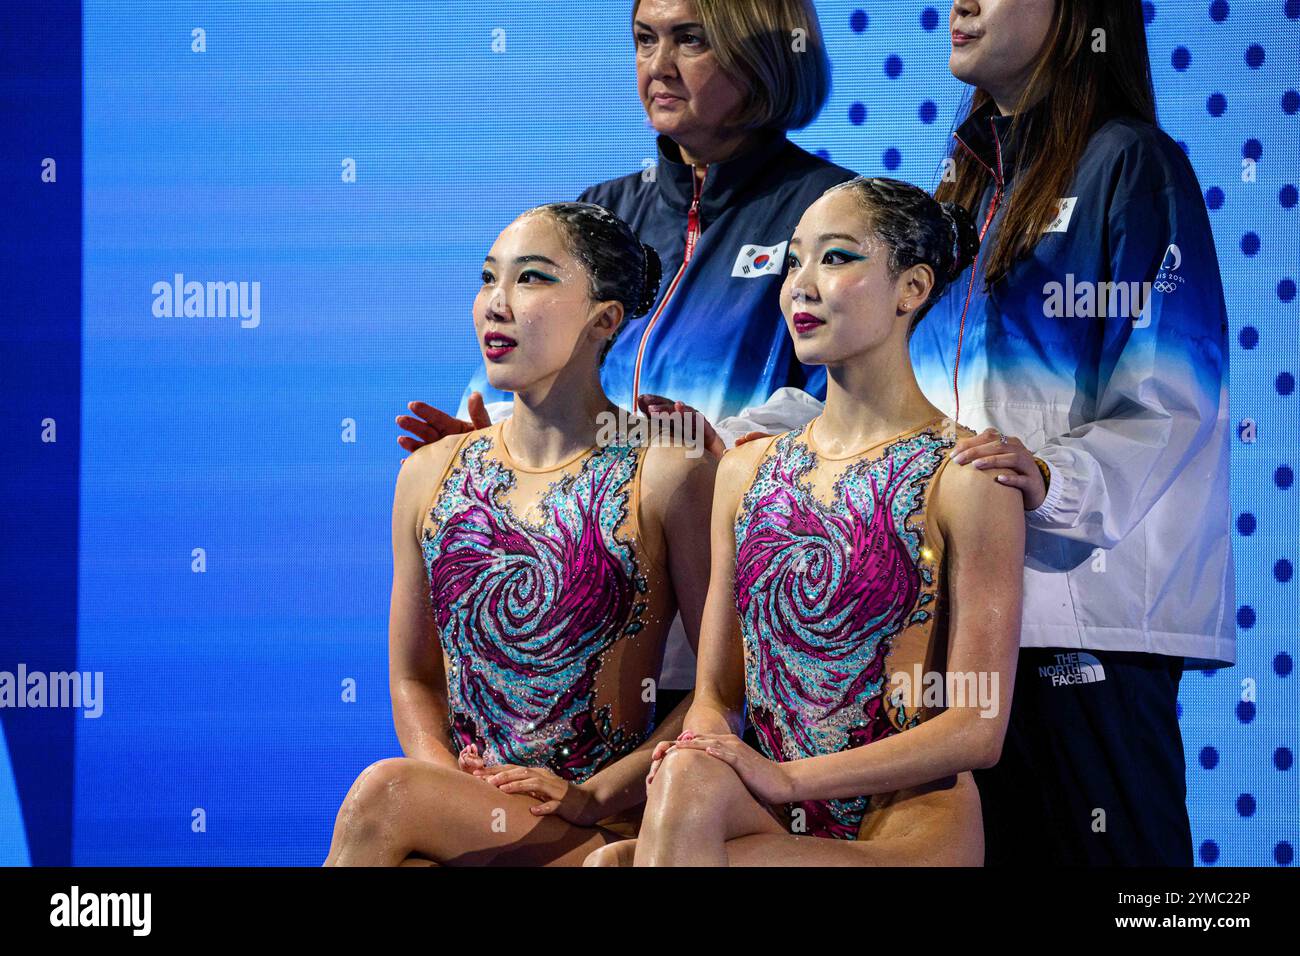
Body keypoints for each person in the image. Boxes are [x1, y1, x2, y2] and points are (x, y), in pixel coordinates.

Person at [656, 0, 1234, 866]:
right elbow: (888, 400)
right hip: (962, 634)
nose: (959, 3)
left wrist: (1051, 479)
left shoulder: (1133, 164)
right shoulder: (963, 183)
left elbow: (1175, 397)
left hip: (1086, 626)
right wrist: (711, 439)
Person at [396, 0, 857, 716]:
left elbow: (857, 402)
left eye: (689, 41)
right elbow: (533, 373)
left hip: (744, 603)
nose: (657, 66)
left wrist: (713, 450)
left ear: (763, 54)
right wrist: (490, 446)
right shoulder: (603, 213)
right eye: (644, 40)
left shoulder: (833, 211)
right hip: (579, 610)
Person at [586, 178, 1026, 866]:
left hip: (906, 830)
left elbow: (977, 727)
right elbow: (717, 695)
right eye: (793, 261)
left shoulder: (968, 476)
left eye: (837, 258)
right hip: (774, 812)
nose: (801, 285)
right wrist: (702, 747)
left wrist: (788, 778)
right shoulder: (746, 472)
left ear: (911, 288)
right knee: (630, 838)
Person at [324, 202, 716, 866]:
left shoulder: (666, 473)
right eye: (487, 278)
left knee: (383, 793)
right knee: (399, 806)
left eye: (531, 279)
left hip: (601, 826)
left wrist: (593, 795)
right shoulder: (428, 473)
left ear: (605, 320)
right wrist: (444, 782)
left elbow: (720, 692)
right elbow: (414, 677)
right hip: (468, 810)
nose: (495, 304)